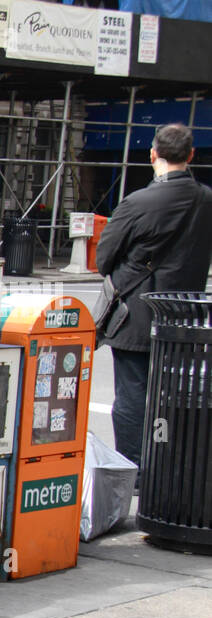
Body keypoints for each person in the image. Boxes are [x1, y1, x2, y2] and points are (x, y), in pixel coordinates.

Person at [96, 122, 212, 471]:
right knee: (176, 396)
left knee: (132, 396)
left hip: (137, 316)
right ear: (191, 155)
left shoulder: (138, 202)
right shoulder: (206, 200)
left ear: (153, 154)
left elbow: (104, 259)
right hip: (183, 318)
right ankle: (168, 466)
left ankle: (133, 468)